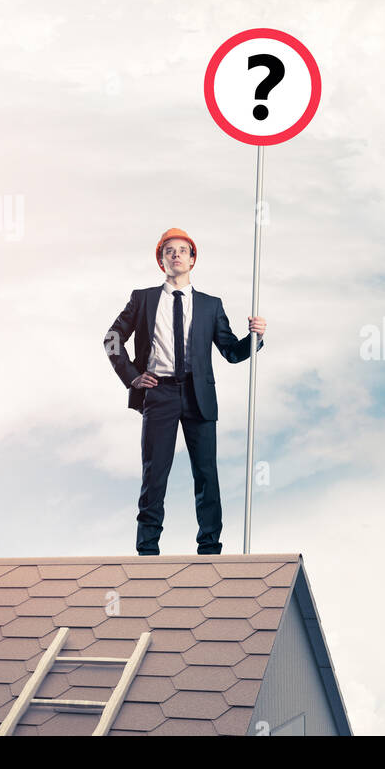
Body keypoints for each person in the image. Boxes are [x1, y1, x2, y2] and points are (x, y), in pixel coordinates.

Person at [103, 227, 266, 555]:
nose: (175, 254)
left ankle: (210, 548)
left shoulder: (210, 305)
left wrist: (256, 339)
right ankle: (147, 550)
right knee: (154, 472)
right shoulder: (143, 298)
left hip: (198, 395)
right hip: (159, 394)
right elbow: (112, 338)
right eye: (169, 251)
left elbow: (231, 352)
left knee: (207, 474)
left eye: (182, 250)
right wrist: (133, 377)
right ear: (161, 261)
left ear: (193, 260)